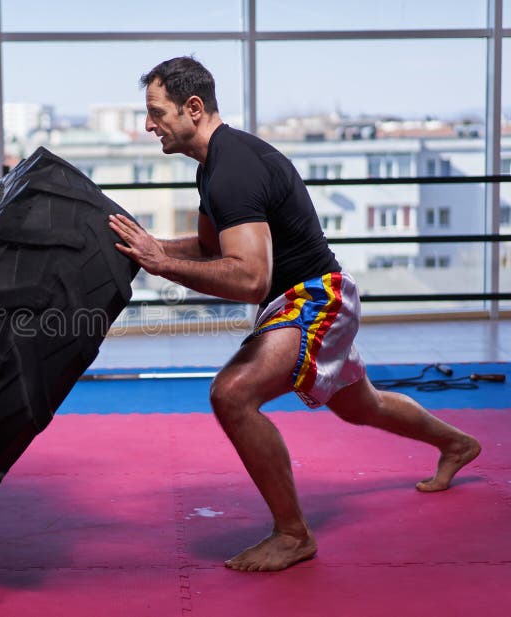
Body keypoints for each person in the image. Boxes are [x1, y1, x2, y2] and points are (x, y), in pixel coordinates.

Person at [107, 56, 482, 573]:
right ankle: (457, 443)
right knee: (359, 405)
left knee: (232, 394)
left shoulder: (232, 169)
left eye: (156, 112)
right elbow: (212, 245)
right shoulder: (215, 166)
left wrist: (162, 265)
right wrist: (150, 248)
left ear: (193, 108)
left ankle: (293, 534)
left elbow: (248, 278)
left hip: (315, 300)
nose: (148, 125)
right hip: (307, 297)